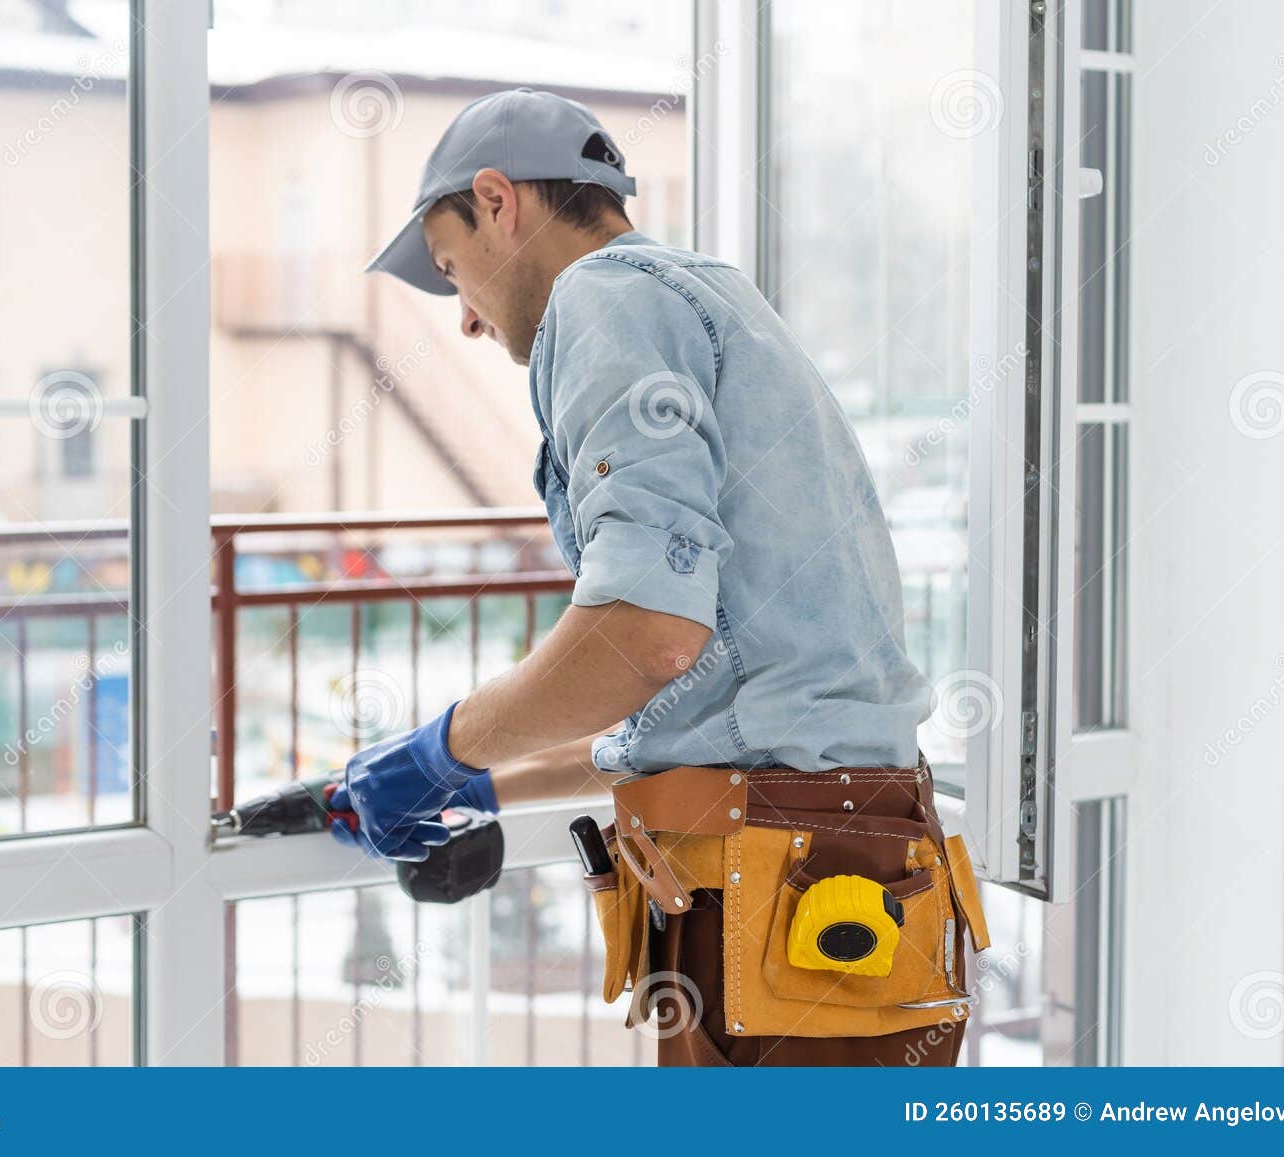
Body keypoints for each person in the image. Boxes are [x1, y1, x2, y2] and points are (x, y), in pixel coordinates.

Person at [330, 89, 960, 1067]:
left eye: (452, 270)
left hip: (783, 885)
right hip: (826, 864)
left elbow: (646, 638)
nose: (461, 317)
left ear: (499, 200)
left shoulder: (603, 298)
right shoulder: (706, 296)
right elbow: (708, 698)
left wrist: (441, 747)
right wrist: (484, 781)